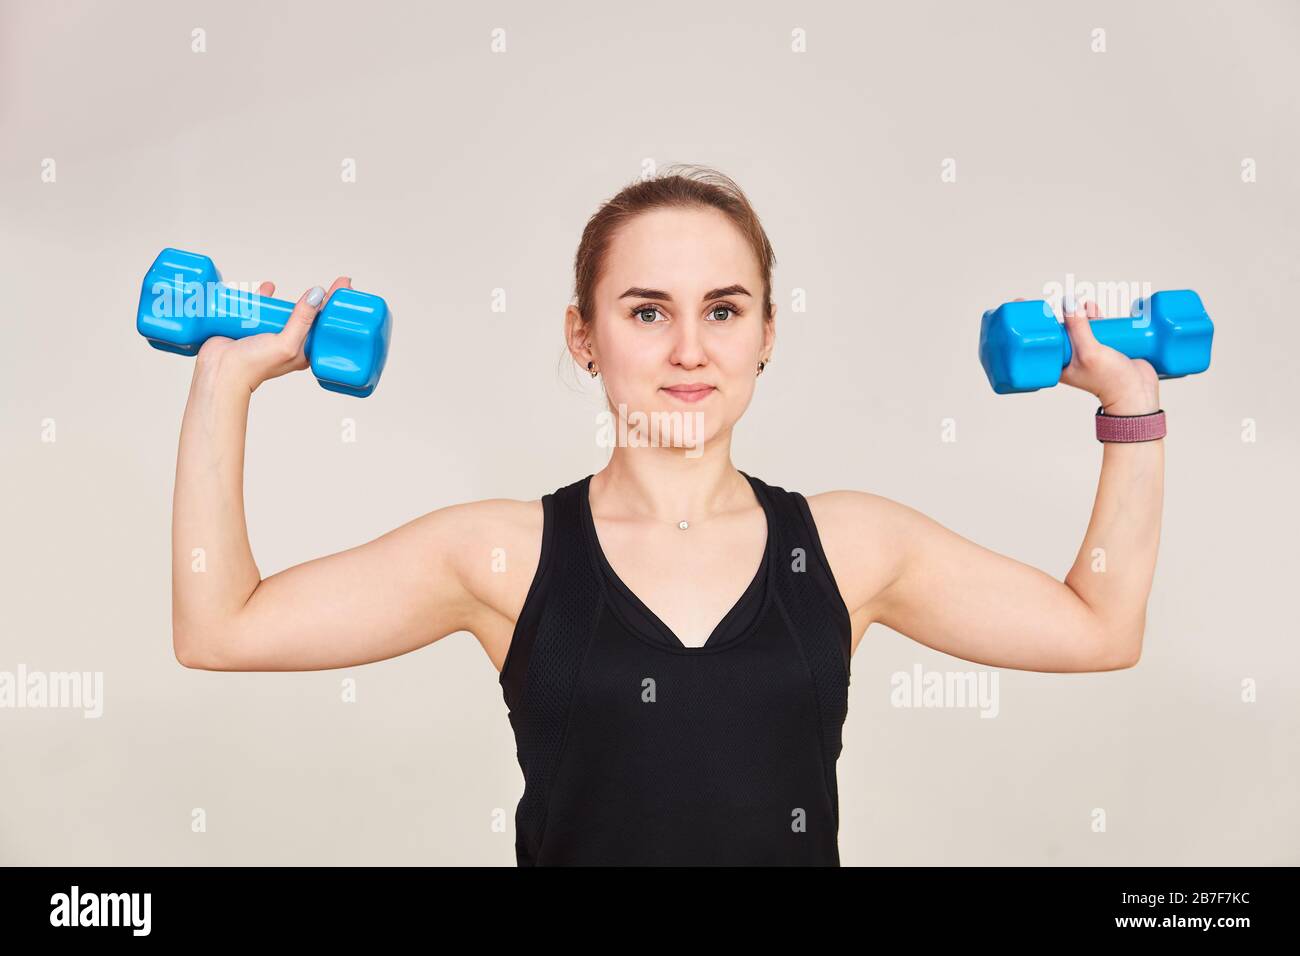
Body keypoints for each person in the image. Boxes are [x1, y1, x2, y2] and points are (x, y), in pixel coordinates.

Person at [170, 164, 1164, 866]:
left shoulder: (852, 547)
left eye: (724, 310)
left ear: (766, 333)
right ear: (584, 335)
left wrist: (1131, 408)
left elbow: (1097, 627)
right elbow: (222, 627)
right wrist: (223, 382)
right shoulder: (501, 555)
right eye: (647, 310)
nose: (690, 349)